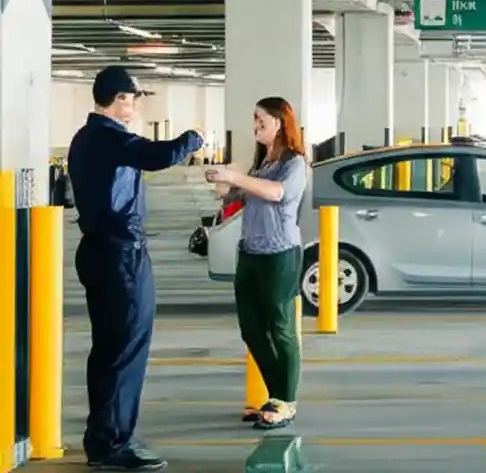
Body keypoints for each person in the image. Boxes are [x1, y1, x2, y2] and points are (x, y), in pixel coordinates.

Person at [68, 66, 204, 471]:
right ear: (120, 99)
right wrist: (193, 139)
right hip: (119, 255)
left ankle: (105, 436)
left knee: (110, 349)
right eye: (133, 98)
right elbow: (158, 155)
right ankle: (111, 444)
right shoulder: (110, 136)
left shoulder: (84, 138)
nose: (136, 105)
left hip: (100, 251)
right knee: (124, 350)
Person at [204, 97, 308, 430]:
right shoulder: (263, 164)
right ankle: (277, 394)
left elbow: (276, 193)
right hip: (250, 253)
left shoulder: (294, 164)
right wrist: (223, 185)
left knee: (280, 327)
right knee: (251, 328)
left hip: (280, 255)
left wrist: (236, 176)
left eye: (261, 119)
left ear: (280, 122)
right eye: (254, 119)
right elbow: (237, 195)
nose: (256, 124)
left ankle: (285, 400)